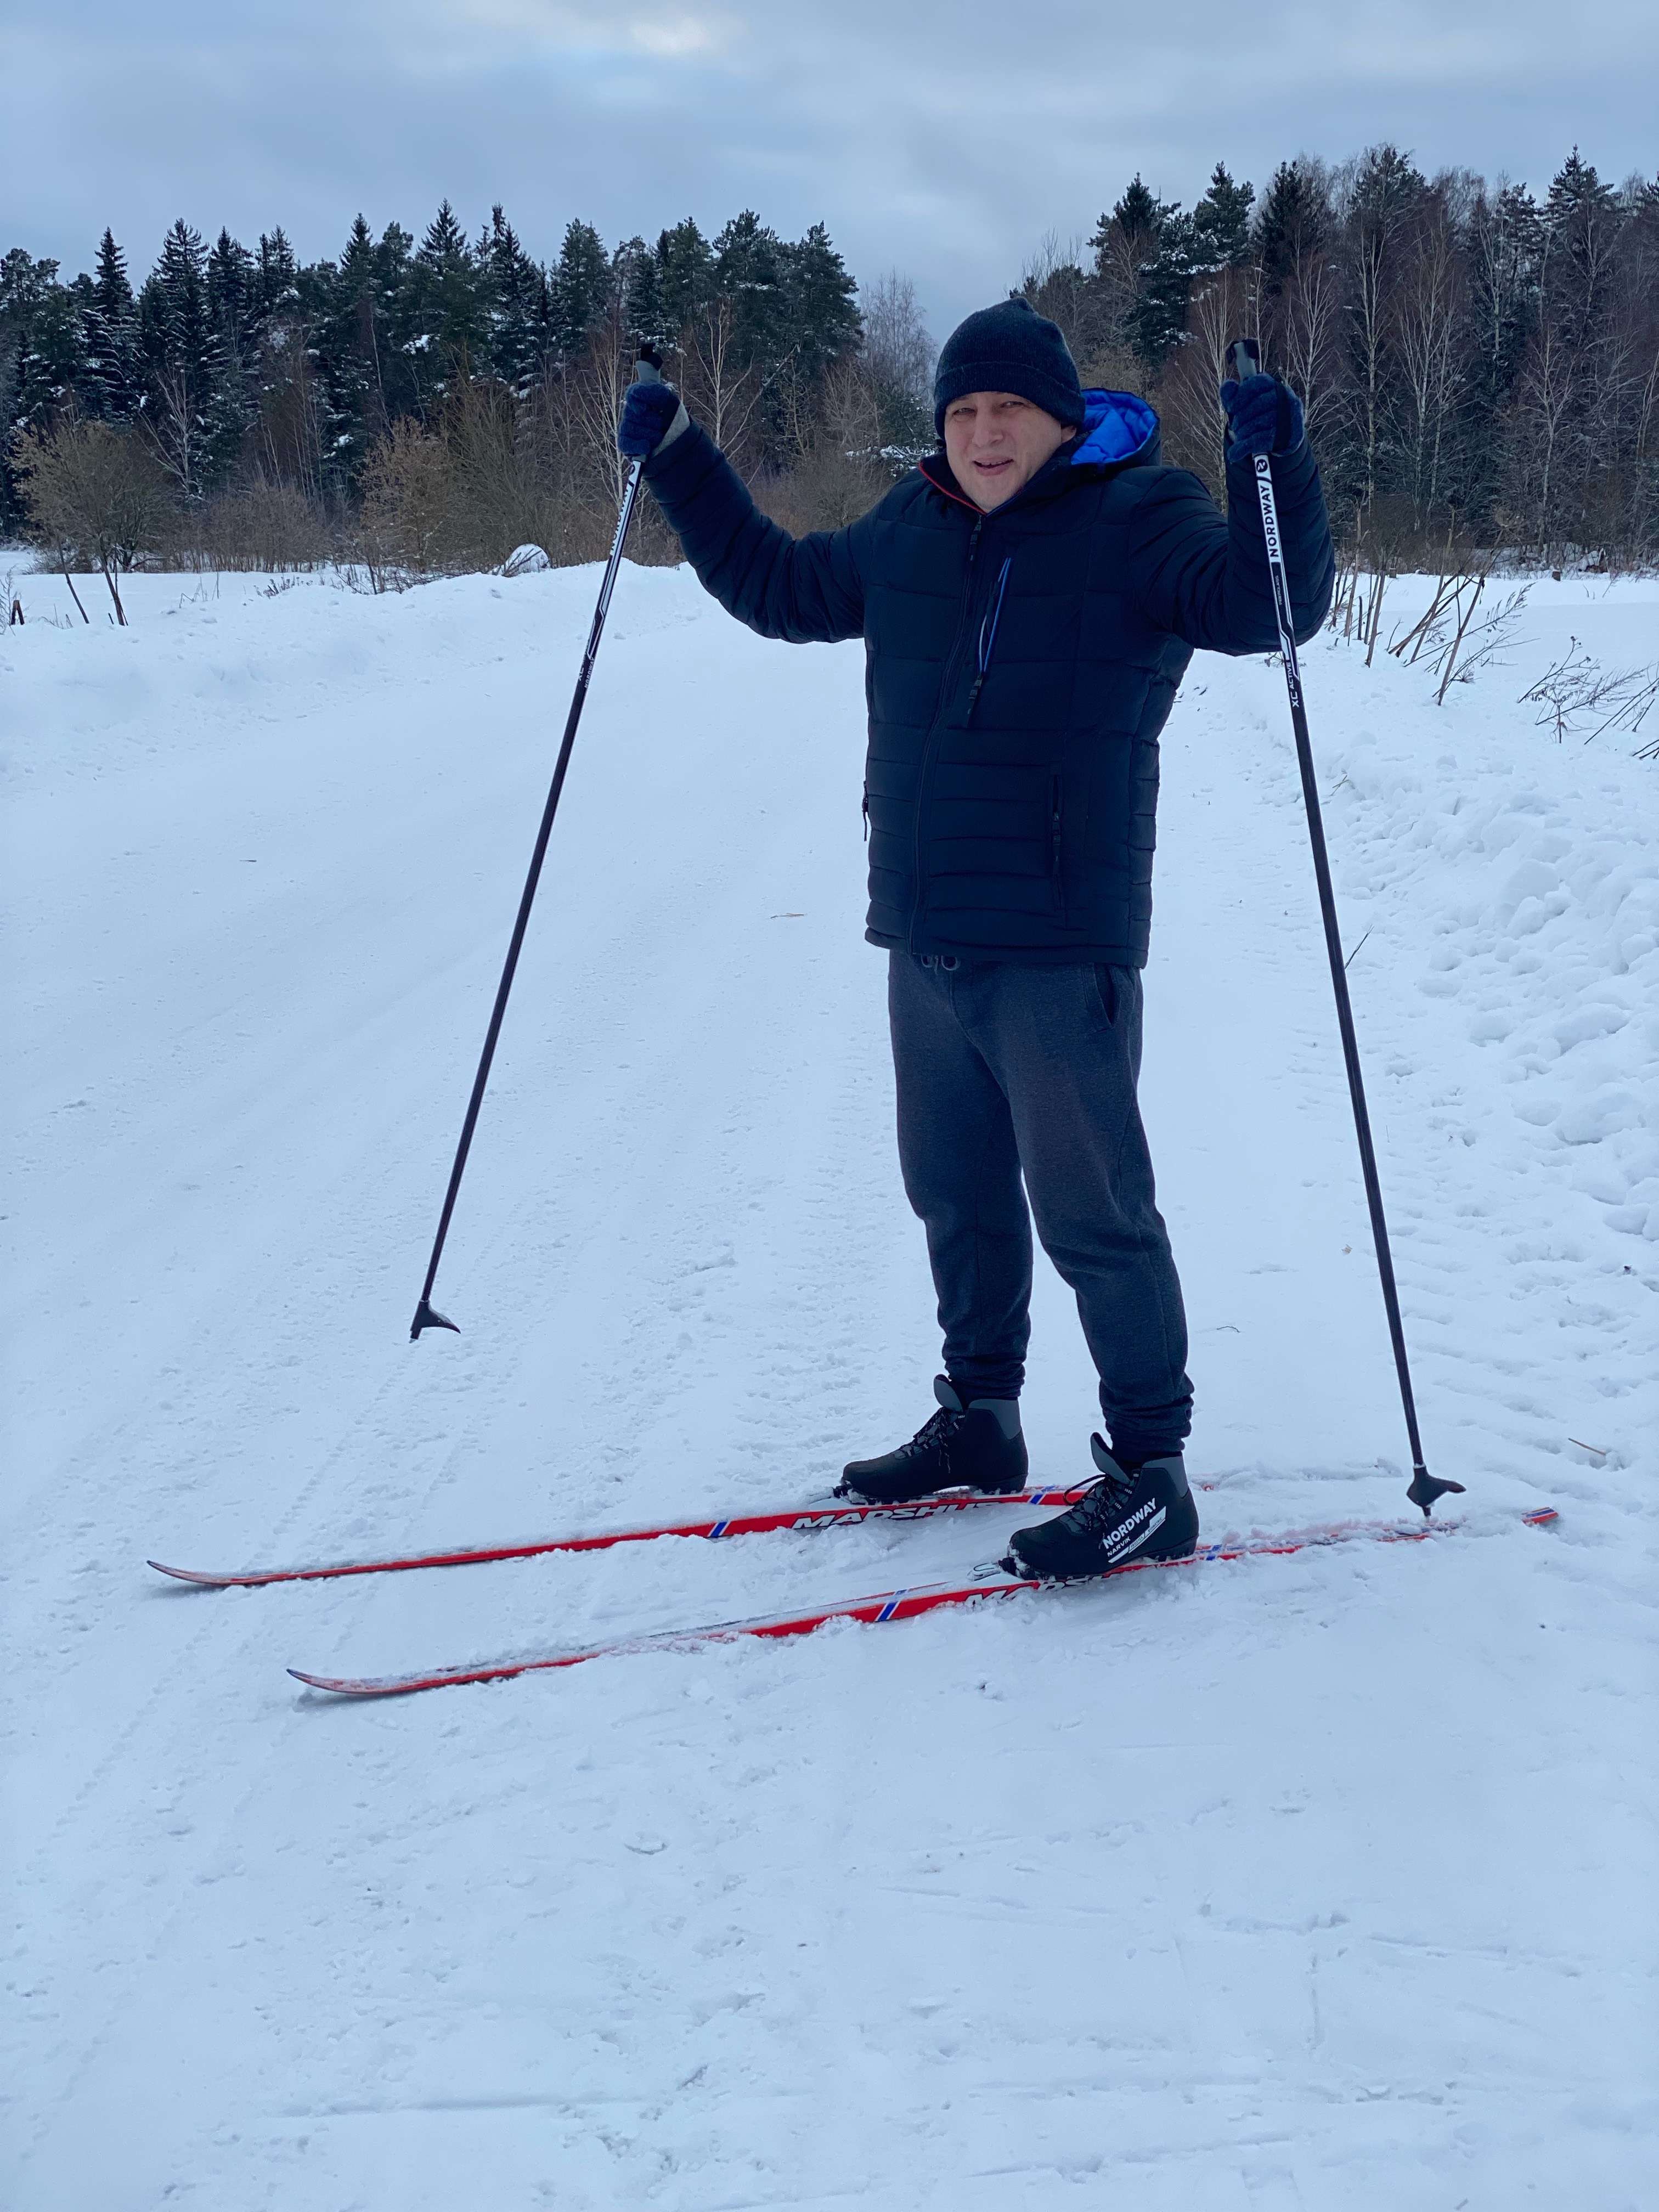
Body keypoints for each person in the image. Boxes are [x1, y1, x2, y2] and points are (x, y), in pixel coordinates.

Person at [618, 297, 1333, 1578]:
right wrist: (680, 459)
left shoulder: (1139, 517)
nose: (985, 432)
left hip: (1060, 938)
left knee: (1093, 1215)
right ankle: (983, 1420)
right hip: (929, 931)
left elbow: (1263, 604)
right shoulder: (912, 527)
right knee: (954, 1193)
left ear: (1062, 422)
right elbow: (781, 588)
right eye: (963, 411)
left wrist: (1270, 462)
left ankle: (1152, 1473)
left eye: (1009, 410)